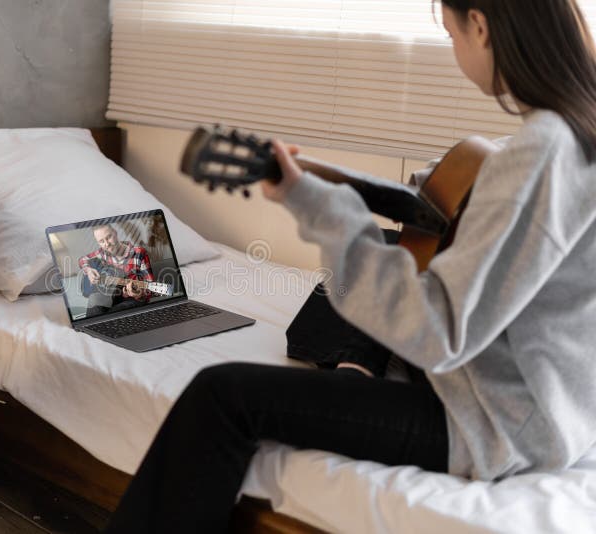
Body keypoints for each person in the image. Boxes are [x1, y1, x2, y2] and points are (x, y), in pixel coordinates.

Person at [104, 1, 596, 532]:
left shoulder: (540, 152)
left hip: (495, 427)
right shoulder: (576, 133)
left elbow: (436, 331)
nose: (454, 50)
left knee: (222, 396)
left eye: (451, 33)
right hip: (555, 413)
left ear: (480, 25)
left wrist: (326, 213)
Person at [78, 224, 154, 316]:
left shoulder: (138, 253)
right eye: (101, 241)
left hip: (132, 299)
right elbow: (82, 260)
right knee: (94, 298)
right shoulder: (102, 253)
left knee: (116, 310)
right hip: (112, 297)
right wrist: (89, 270)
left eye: (109, 237)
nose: (106, 244)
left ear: (115, 233)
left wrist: (138, 294)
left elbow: (150, 288)